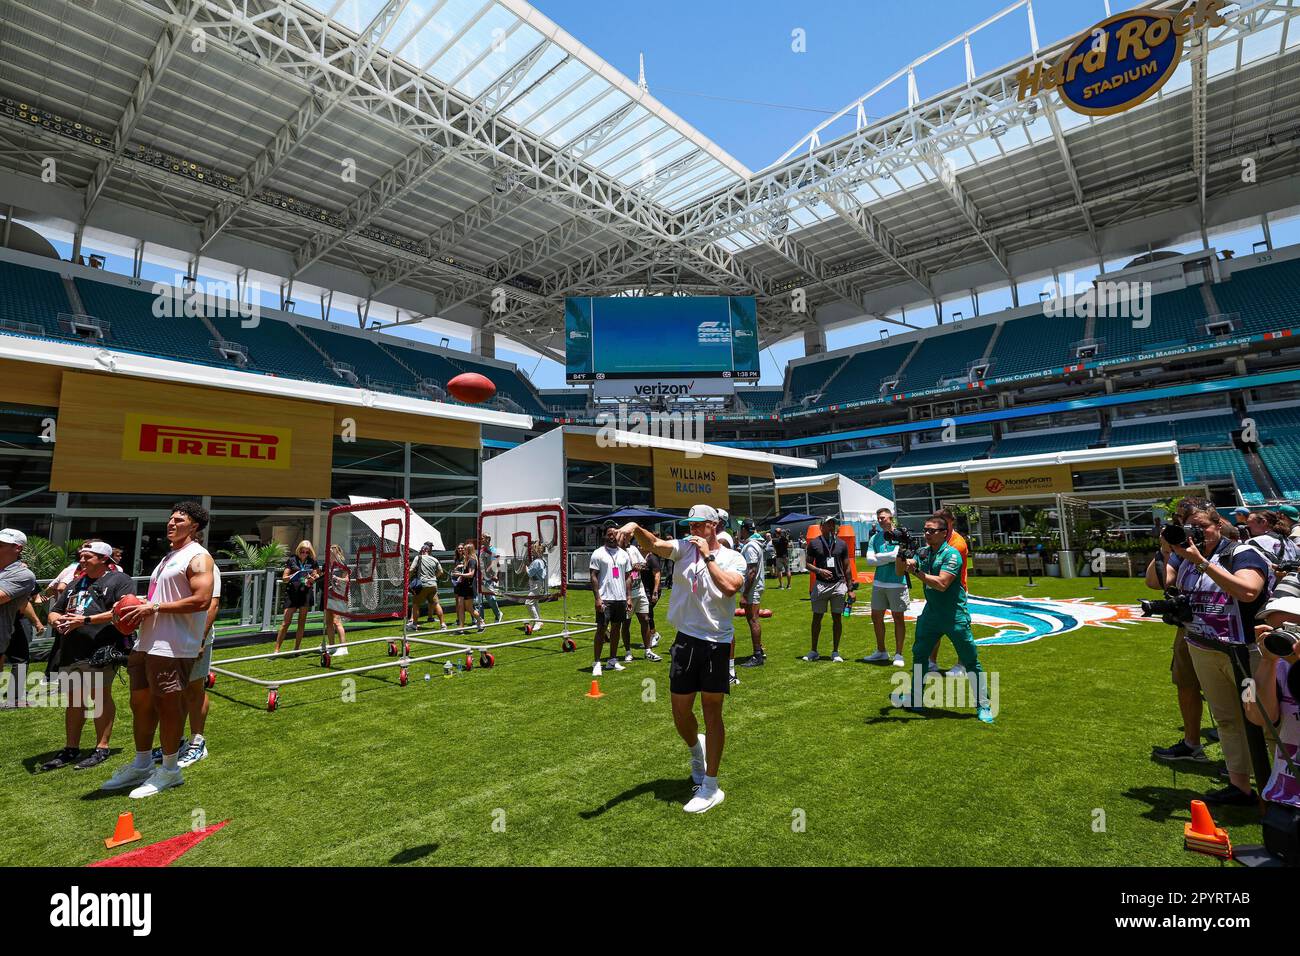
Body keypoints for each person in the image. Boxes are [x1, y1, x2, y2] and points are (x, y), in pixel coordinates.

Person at [619, 504, 746, 813]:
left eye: (699, 524)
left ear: (714, 525)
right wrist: (635, 526)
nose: (693, 530)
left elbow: (730, 588)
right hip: (685, 639)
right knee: (680, 712)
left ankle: (711, 786)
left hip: (716, 642)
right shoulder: (683, 549)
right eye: (690, 525)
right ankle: (696, 752)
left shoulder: (733, 557)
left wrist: (708, 556)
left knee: (712, 713)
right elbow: (654, 544)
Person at [100, 501, 215, 799]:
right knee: (140, 702)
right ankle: (141, 764)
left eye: (179, 520)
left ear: (194, 526)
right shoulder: (168, 558)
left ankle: (170, 770)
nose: (171, 523)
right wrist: (137, 603)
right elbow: (160, 597)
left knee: (168, 706)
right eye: (171, 519)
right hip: (147, 642)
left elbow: (202, 600)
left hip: (173, 645)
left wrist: (154, 607)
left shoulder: (198, 557)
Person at [1169, 506, 1272, 806]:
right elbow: (1168, 586)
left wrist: (1202, 563)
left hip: (1244, 653)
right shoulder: (1186, 559)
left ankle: (1282, 786)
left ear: (1218, 525)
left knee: (1263, 718)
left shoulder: (1241, 553)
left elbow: (1249, 591)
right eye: (1189, 527)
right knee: (1227, 719)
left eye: (1202, 526)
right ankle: (1240, 785)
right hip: (1204, 649)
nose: (1197, 533)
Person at [41, 541, 135, 771]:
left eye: (88, 556)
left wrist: (83, 621)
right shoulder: (76, 582)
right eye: (81, 556)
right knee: (74, 700)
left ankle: (102, 747)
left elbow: (122, 611)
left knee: (99, 697)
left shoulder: (120, 580)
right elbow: (55, 610)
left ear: (103, 559)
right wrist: (56, 621)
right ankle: (71, 748)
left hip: (99, 649)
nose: (82, 560)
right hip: (71, 650)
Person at [897, 512, 993, 723]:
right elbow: (899, 571)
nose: (927, 534)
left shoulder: (952, 554)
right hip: (931, 613)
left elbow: (942, 584)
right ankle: (915, 698)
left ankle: (983, 705)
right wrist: (901, 554)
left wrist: (917, 572)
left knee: (970, 660)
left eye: (931, 531)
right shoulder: (923, 552)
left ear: (944, 532)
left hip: (954, 615)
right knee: (919, 655)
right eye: (925, 530)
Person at [1149, 495, 1215, 765]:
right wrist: (1165, 550)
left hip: (1228, 631)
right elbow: (1157, 582)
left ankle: (1247, 757)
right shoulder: (1181, 549)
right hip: (1189, 628)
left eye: (1194, 523)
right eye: (1180, 520)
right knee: (1186, 684)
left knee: (1238, 694)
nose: (1186, 527)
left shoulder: (1229, 545)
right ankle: (1191, 743)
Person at [1247, 595, 1300, 814]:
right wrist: (1267, 661)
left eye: (1292, 629)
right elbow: (1258, 717)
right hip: (1286, 791)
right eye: (1277, 629)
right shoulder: (1274, 665)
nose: (1284, 636)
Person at [176, 560, 221, 769]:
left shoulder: (204, 563)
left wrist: (200, 638)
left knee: (194, 689)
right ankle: (176, 742)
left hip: (194, 637)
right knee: (177, 691)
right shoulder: (174, 563)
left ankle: (197, 742)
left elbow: (212, 604)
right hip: (174, 635)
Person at [802, 516, 851, 662]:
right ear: (821, 527)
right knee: (817, 618)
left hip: (838, 585)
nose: (831, 527)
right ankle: (813, 651)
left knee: (837, 618)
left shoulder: (841, 544)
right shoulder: (814, 543)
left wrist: (850, 588)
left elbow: (847, 567)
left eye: (833, 524)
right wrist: (819, 570)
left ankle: (835, 652)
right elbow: (807, 564)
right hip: (821, 585)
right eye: (828, 524)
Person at [862, 508, 908, 666]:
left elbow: (897, 555)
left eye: (883, 518)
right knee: (876, 617)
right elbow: (869, 561)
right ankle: (881, 651)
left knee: (898, 618)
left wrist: (879, 557)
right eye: (879, 518)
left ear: (891, 517)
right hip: (879, 582)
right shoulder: (875, 537)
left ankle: (899, 654)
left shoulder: (900, 535)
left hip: (897, 581)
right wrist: (888, 557)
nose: (880, 520)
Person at [928, 508, 970, 676]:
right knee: (933, 627)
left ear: (951, 521)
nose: (937, 524)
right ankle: (931, 661)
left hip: (954, 592)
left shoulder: (957, 544)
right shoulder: (938, 539)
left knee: (958, 630)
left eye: (942, 520)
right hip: (937, 589)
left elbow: (944, 575)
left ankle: (962, 664)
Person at [589, 521, 632, 676]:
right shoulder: (598, 553)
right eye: (609, 534)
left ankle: (612, 660)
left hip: (620, 598)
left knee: (616, 629)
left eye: (615, 533)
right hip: (605, 598)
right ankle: (597, 662)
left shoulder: (624, 554)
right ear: (604, 536)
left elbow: (628, 577)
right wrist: (597, 598)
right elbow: (593, 576)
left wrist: (628, 597)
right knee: (601, 629)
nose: (612, 536)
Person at [0, 529, 37, 681]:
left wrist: (37, 622)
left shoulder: (23, 575)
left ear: (17, 548)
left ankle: (15, 693)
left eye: (1, 545)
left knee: (20, 658)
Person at [275, 541, 320, 654]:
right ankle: (276, 650)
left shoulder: (312, 561)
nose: (304, 554)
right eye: (302, 551)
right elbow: (284, 578)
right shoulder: (292, 560)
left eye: (307, 552)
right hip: (292, 593)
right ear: (298, 550)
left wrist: (313, 578)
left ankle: (297, 648)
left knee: (301, 622)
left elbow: (316, 575)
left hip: (305, 592)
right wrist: (294, 575)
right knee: (286, 622)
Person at [623, 533, 661, 662]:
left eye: (629, 537)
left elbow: (644, 565)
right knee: (626, 623)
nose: (628, 539)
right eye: (625, 537)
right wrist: (630, 568)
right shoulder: (618, 552)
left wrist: (639, 566)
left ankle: (648, 650)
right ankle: (628, 652)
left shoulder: (634, 549)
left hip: (640, 591)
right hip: (626, 594)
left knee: (645, 619)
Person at [737, 518, 767, 669]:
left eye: (740, 529)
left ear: (744, 529)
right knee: (753, 619)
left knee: (753, 620)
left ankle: (757, 655)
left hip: (752, 588)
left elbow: (752, 571)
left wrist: (744, 594)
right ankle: (759, 650)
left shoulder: (750, 546)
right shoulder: (753, 544)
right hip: (755, 587)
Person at [407, 541, 447, 631]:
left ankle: (414, 624)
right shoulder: (435, 559)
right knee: (436, 604)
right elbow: (441, 572)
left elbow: (411, 569)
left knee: (416, 604)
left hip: (422, 584)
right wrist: (434, 577)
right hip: (433, 584)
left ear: (424, 550)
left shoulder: (418, 557)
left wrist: (408, 578)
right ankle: (443, 624)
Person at [322, 543, 351, 656]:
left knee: (336, 620)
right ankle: (332, 646)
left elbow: (347, 579)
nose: (328, 554)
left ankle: (344, 647)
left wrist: (338, 579)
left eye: (331, 552)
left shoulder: (341, 565)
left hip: (337, 594)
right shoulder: (326, 565)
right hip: (327, 594)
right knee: (328, 621)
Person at [451, 543, 484, 632]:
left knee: (469, 608)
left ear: (468, 551)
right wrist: (460, 574)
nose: (463, 551)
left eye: (465, 549)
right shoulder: (467, 560)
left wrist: (460, 575)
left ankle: (480, 621)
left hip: (469, 587)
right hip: (462, 586)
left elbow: (471, 574)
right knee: (460, 607)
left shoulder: (472, 560)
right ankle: (461, 627)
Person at [523, 542, 548, 634]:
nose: (532, 552)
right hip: (537, 584)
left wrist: (526, 567)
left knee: (528, 603)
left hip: (536, 584)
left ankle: (537, 621)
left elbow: (530, 573)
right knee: (535, 603)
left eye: (533, 550)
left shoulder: (537, 561)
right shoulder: (542, 560)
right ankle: (538, 621)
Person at [477, 535, 503, 624]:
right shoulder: (481, 550)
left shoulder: (493, 550)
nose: (481, 539)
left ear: (488, 539)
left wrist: (494, 574)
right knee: (479, 600)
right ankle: (481, 620)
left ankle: (498, 614)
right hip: (480, 578)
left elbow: (495, 563)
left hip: (489, 578)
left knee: (491, 598)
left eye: (482, 538)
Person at [642, 546, 663, 648]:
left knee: (647, 613)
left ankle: (654, 635)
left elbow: (657, 575)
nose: (638, 546)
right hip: (644, 590)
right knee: (645, 614)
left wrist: (655, 592)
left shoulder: (652, 558)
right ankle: (651, 636)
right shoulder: (641, 558)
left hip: (652, 591)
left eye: (641, 544)